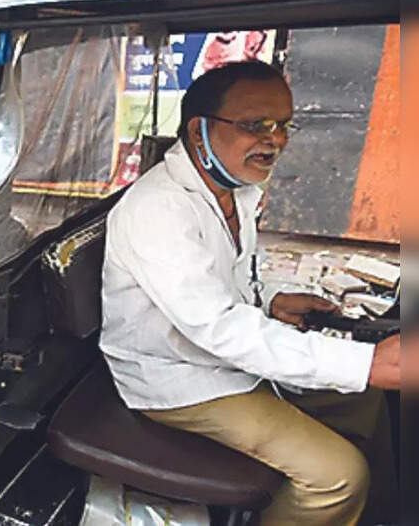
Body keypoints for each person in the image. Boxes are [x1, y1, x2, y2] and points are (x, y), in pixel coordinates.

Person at [100, 61, 401, 525]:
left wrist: (270, 300)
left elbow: (223, 283)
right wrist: (367, 362)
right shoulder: (157, 210)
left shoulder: (234, 190)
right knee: (337, 476)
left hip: (222, 356)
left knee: (365, 402)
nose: (275, 140)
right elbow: (217, 328)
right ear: (199, 132)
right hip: (180, 380)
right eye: (255, 125)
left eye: (283, 125)